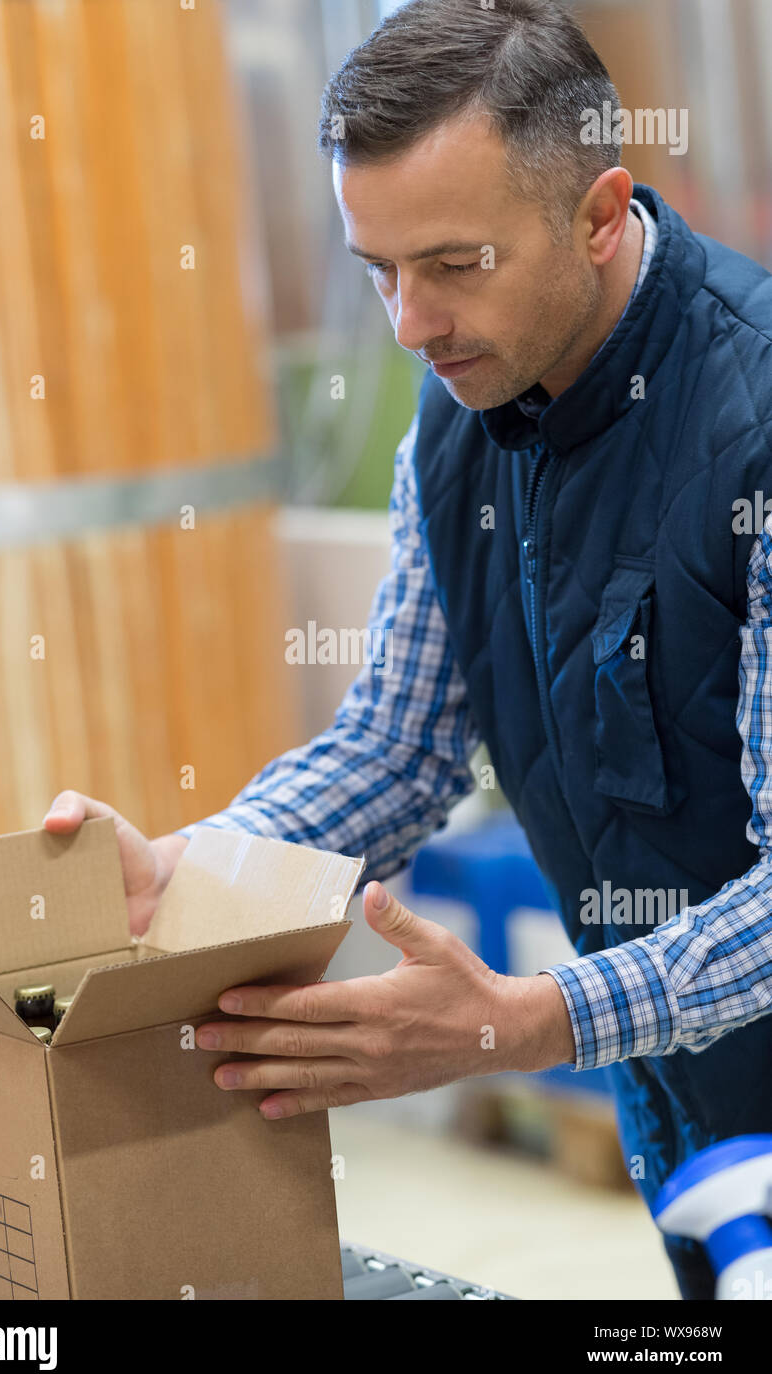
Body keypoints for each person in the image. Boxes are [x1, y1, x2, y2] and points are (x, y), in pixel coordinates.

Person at [45, 0, 772, 1299]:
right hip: (697, 1116)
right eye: (377, 268)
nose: (405, 323)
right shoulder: (454, 433)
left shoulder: (754, 424)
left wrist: (530, 1017)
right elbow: (395, 741)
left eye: (453, 262)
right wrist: (199, 869)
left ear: (599, 213)